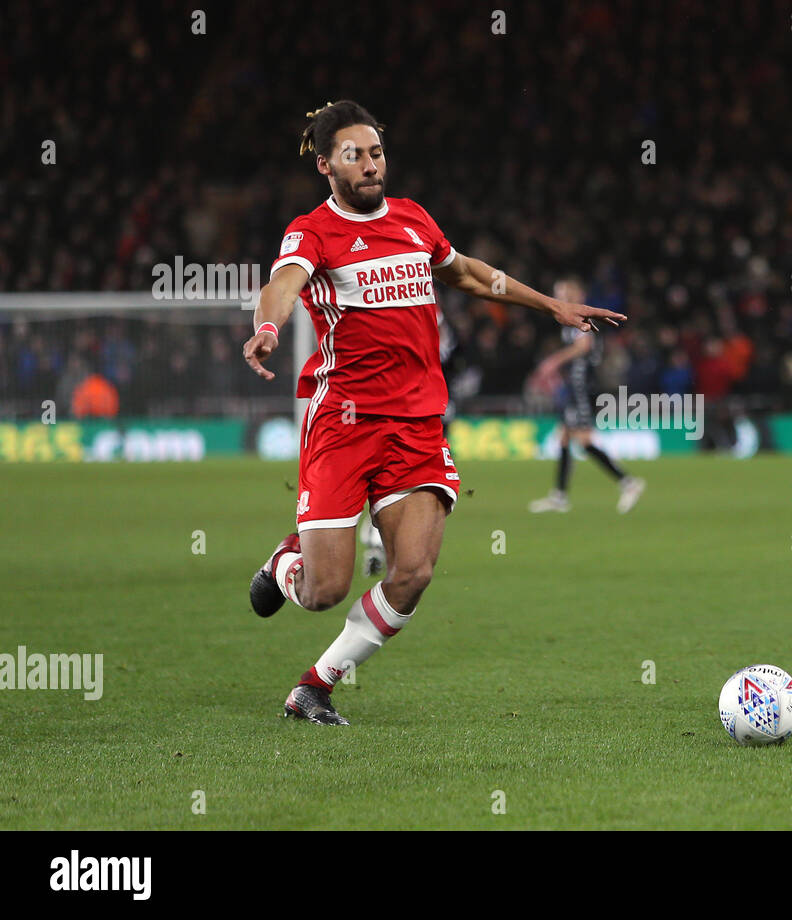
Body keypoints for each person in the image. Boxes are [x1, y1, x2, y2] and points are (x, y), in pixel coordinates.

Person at [242, 101, 625, 725]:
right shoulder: (312, 232)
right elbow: (284, 282)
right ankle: (288, 562)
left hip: (417, 425)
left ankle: (315, 685)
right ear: (325, 165)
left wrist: (548, 305)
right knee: (324, 591)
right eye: (354, 155)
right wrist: (267, 325)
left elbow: (469, 273)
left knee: (413, 572)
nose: (370, 165)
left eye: (377, 152)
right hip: (342, 423)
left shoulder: (413, 219)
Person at [528, 276, 645, 514]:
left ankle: (628, 482)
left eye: (561, 292)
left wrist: (553, 361)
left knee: (582, 439)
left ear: (575, 295)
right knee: (565, 437)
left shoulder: (581, 316)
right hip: (574, 384)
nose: (557, 297)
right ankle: (560, 495)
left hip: (580, 386)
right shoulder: (569, 317)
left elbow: (584, 347)